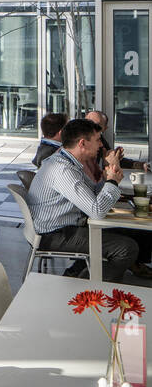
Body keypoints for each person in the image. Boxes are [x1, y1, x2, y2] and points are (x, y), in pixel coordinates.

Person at [26, 118, 152, 280]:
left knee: (135, 233)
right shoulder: (63, 170)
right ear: (82, 143)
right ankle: (87, 287)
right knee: (127, 248)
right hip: (55, 234)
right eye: (98, 140)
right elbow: (97, 211)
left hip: (65, 226)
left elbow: (92, 193)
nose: (101, 145)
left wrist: (108, 177)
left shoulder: (68, 162)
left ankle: (78, 272)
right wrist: (112, 181)